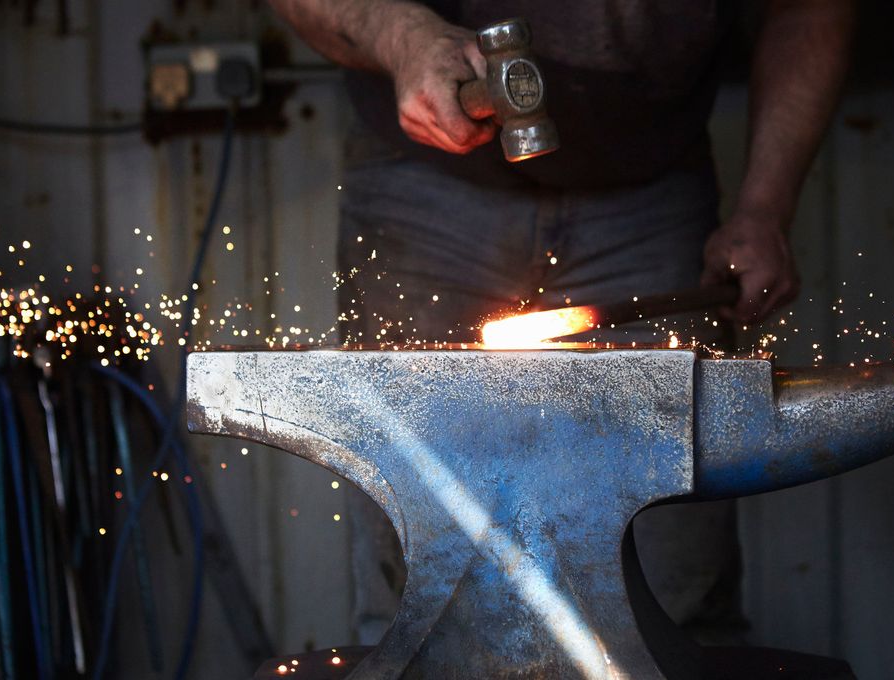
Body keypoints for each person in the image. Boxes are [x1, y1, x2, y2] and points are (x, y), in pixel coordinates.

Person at [270, 0, 854, 646]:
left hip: (649, 185)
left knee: (675, 596)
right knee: (417, 603)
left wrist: (765, 204)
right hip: (425, 186)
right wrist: (400, 37)